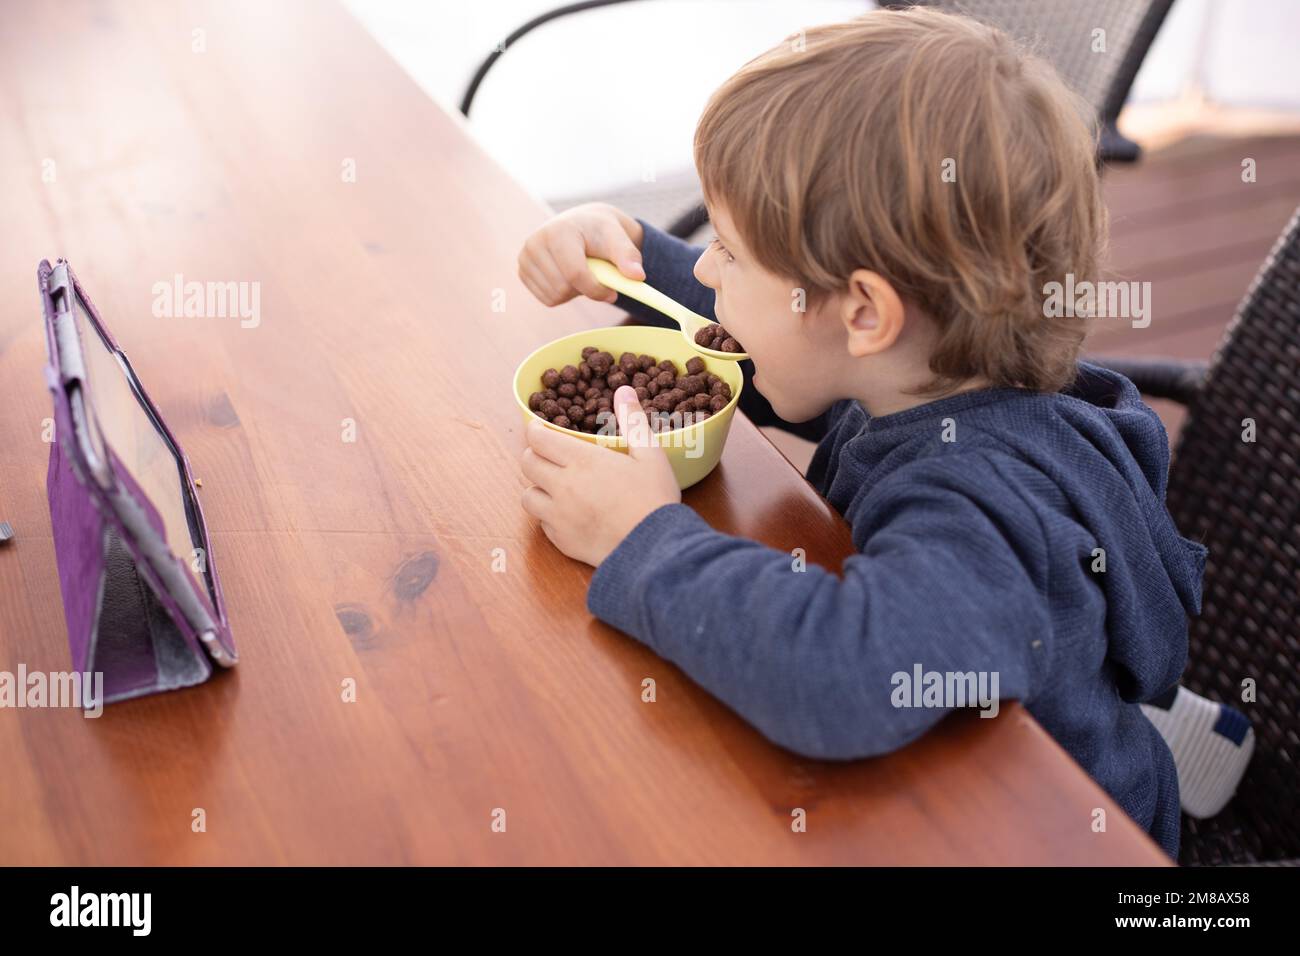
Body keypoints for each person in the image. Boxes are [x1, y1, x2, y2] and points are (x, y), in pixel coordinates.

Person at [515, 7, 1206, 857]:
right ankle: (1089, 672)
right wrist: (631, 255)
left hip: (1031, 829)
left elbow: (845, 676)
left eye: (728, 251)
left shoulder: (978, 503)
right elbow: (784, 345)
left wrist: (645, 539)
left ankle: (1100, 707)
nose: (703, 265)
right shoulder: (926, 374)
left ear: (866, 313)